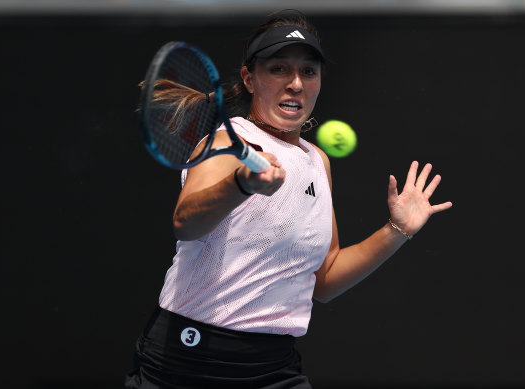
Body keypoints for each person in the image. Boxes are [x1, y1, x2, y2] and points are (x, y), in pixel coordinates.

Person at [125, 10, 452, 389]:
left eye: (308, 72)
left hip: (274, 366)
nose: (295, 83)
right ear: (250, 78)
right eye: (279, 69)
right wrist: (240, 185)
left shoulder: (317, 162)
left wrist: (397, 231)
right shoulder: (226, 144)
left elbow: (325, 280)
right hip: (189, 361)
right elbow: (186, 223)